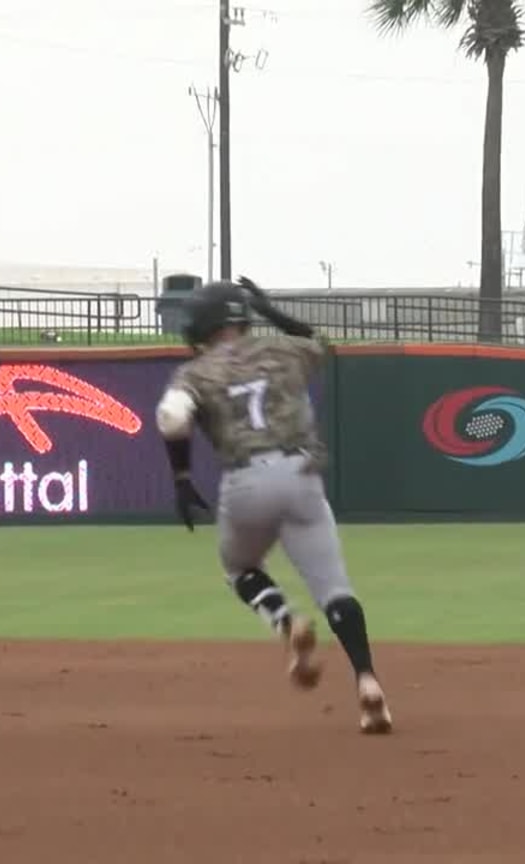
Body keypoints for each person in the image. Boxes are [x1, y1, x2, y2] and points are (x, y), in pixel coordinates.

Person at [154, 277, 393, 735]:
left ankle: (286, 622)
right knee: (335, 589)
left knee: (238, 566)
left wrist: (182, 478)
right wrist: (273, 311)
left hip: (246, 481)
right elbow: (319, 343)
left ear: (202, 323)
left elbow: (172, 417)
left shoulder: (198, 371)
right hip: (302, 475)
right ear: (245, 318)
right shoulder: (284, 350)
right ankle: (368, 685)